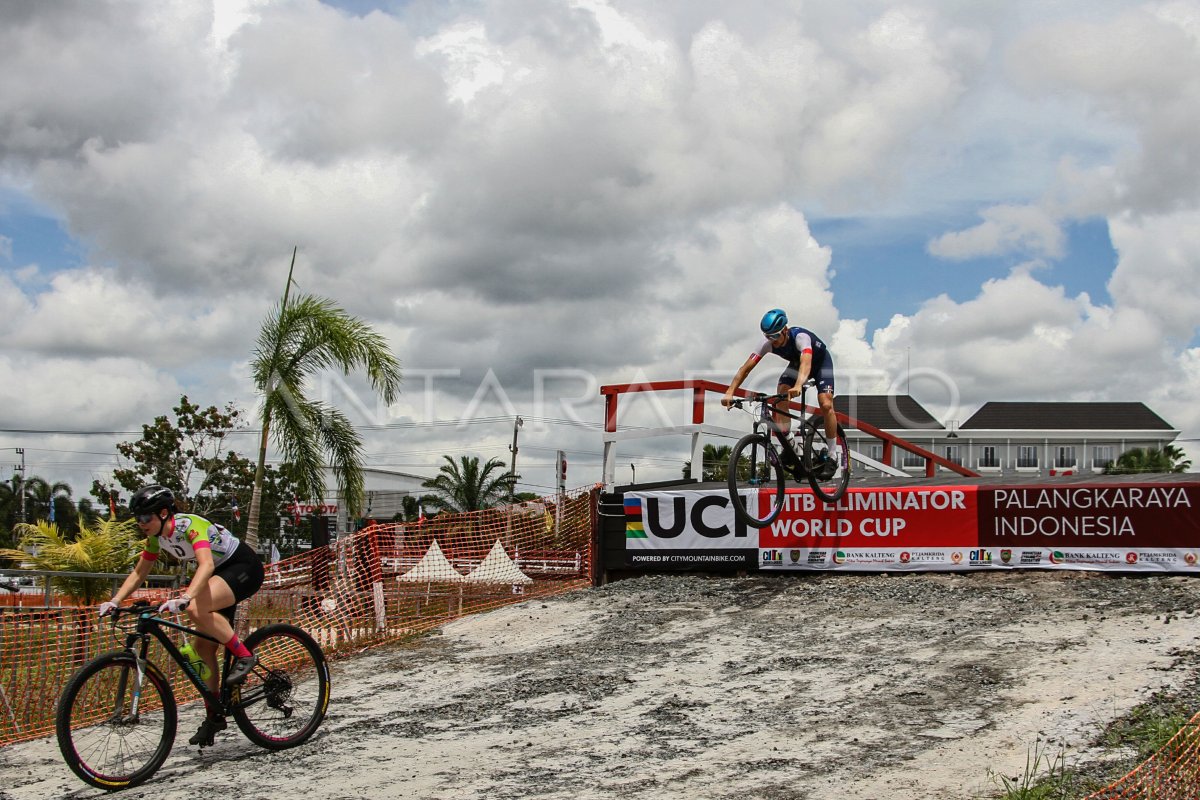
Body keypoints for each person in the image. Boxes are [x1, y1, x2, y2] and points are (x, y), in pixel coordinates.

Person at [99, 484, 264, 747]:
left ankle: (245, 656)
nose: (141, 524)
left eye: (146, 517)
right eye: (138, 519)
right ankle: (214, 715)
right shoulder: (156, 538)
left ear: (164, 513)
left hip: (242, 566)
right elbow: (139, 573)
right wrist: (115, 600)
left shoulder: (189, 525)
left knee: (196, 608)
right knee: (202, 649)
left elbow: (206, 564)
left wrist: (186, 597)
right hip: (217, 574)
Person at [721, 308, 845, 472]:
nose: (772, 340)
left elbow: (806, 363)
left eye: (775, 336)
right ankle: (790, 444)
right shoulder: (766, 343)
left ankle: (832, 455)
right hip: (797, 364)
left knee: (826, 404)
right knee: (781, 394)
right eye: (768, 336)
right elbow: (745, 369)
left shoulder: (801, 337)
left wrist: (799, 384)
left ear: (785, 330)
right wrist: (730, 392)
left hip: (820, 364)